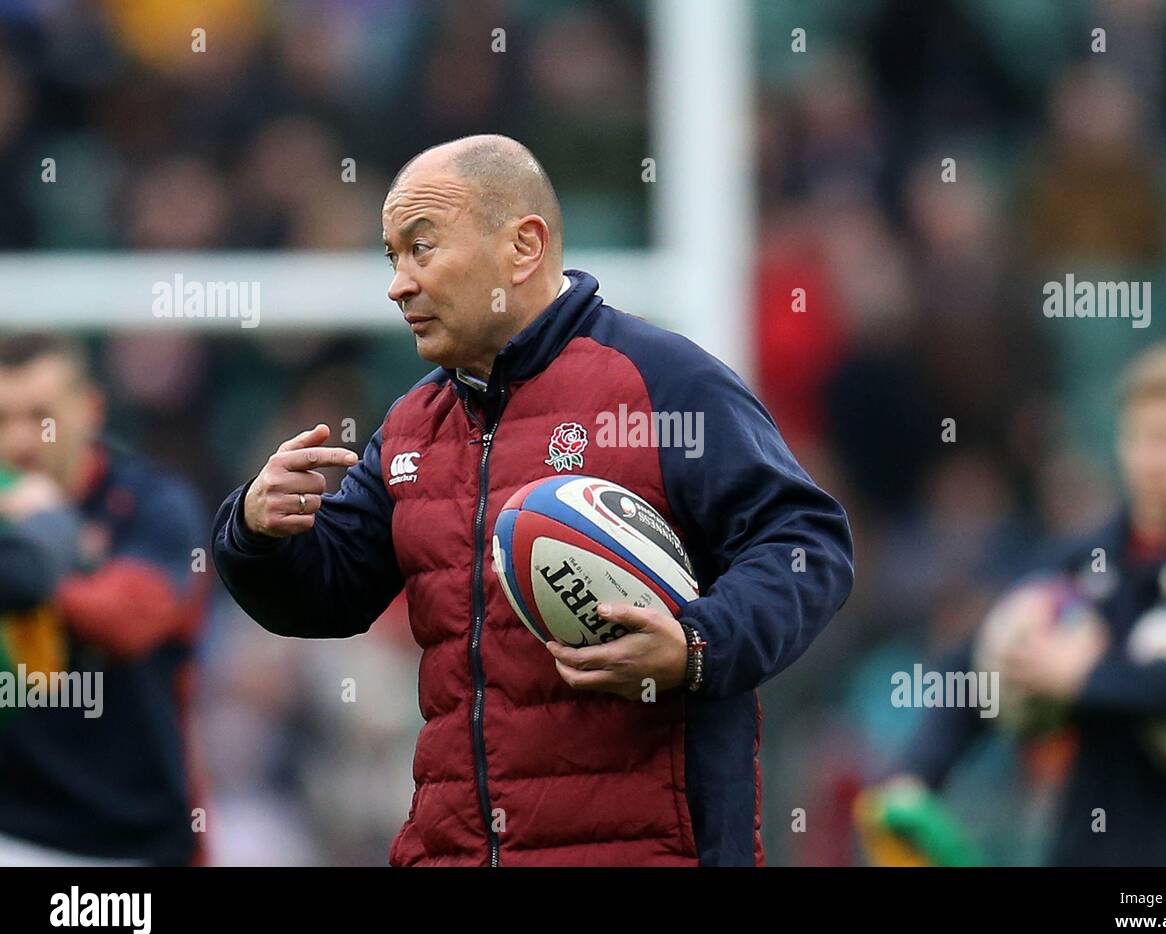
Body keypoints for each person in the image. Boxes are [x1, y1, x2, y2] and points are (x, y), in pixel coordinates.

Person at [212, 134, 855, 866]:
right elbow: (327, 597)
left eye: (422, 249)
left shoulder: (664, 384)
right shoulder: (411, 427)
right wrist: (259, 532)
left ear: (523, 247)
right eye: (393, 258)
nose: (397, 284)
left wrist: (697, 645)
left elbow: (808, 545)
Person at [884, 341, 1166, 865]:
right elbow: (980, 660)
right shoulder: (1088, 561)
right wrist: (914, 777)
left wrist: (1089, 676)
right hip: (1095, 846)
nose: (1154, 459)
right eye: (1140, 438)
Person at [0, 335, 209, 866]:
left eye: (40, 415)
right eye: (3, 420)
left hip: (133, 841)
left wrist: (39, 545)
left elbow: (131, 621)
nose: (22, 440)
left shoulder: (153, 503)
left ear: (89, 410)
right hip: (16, 833)